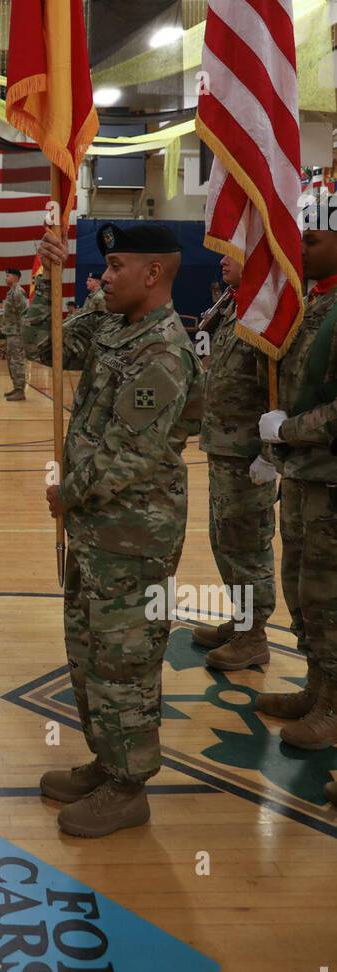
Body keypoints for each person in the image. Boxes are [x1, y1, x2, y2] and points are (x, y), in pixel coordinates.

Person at [24, 221, 203, 838]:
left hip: (134, 534)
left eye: (116, 266)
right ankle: (108, 760)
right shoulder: (110, 324)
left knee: (126, 657)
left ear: (152, 274)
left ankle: (131, 787)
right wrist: (43, 283)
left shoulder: (165, 351)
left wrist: (65, 494)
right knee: (90, 651)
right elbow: (37, 344)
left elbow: (129, 453)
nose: (102, 277)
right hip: (96, 527)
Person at [256, 197, 337, 800]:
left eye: (313, 238)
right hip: (307, 476)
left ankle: (333, 703)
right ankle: (315, 684)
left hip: (330, 476)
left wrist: (286, 431)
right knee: (301, 589)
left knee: (329, 596)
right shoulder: (317, 306)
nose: (299, 245)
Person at [192, 254, 275, 670]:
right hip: (224, 446)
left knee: (247, 547)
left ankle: (254, 636)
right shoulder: (232, 304)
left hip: (248, 452)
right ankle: (242, 623)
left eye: (234, 250)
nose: (224, 258)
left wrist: (271, 455)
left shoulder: (264, 310)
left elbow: (280, 390)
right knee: (223, 540)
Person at [1, 267, 28, 400]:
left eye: (8, 276)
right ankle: (16, 387)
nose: (6, 278)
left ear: (16, 277)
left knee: (17, 361)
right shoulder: (11, 292)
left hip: (17, 333)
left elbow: (24, 312)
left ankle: (20, 390)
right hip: (11, 332)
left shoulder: (18, 292)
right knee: (11, 361)